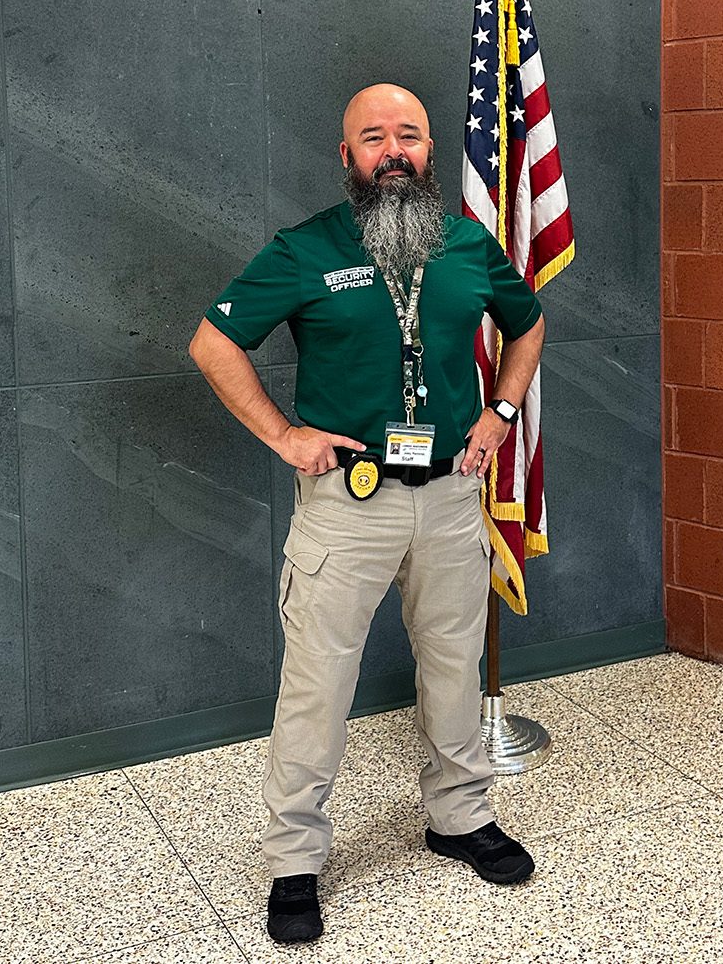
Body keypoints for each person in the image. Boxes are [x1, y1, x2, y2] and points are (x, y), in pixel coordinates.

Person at [188, 83, 546, 945]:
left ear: (430, 154)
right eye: (373, 136)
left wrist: (500, 414)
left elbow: (527, 324)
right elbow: (213, 341)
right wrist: (284, 435)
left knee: (456, 666)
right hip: (348, 506)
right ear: (345, 157)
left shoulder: (465, 242)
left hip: (454, 497)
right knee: (318, 682)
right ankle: (293, 860)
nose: (394, 150)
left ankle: (459, 817)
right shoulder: (305, 248)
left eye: (410, 136)